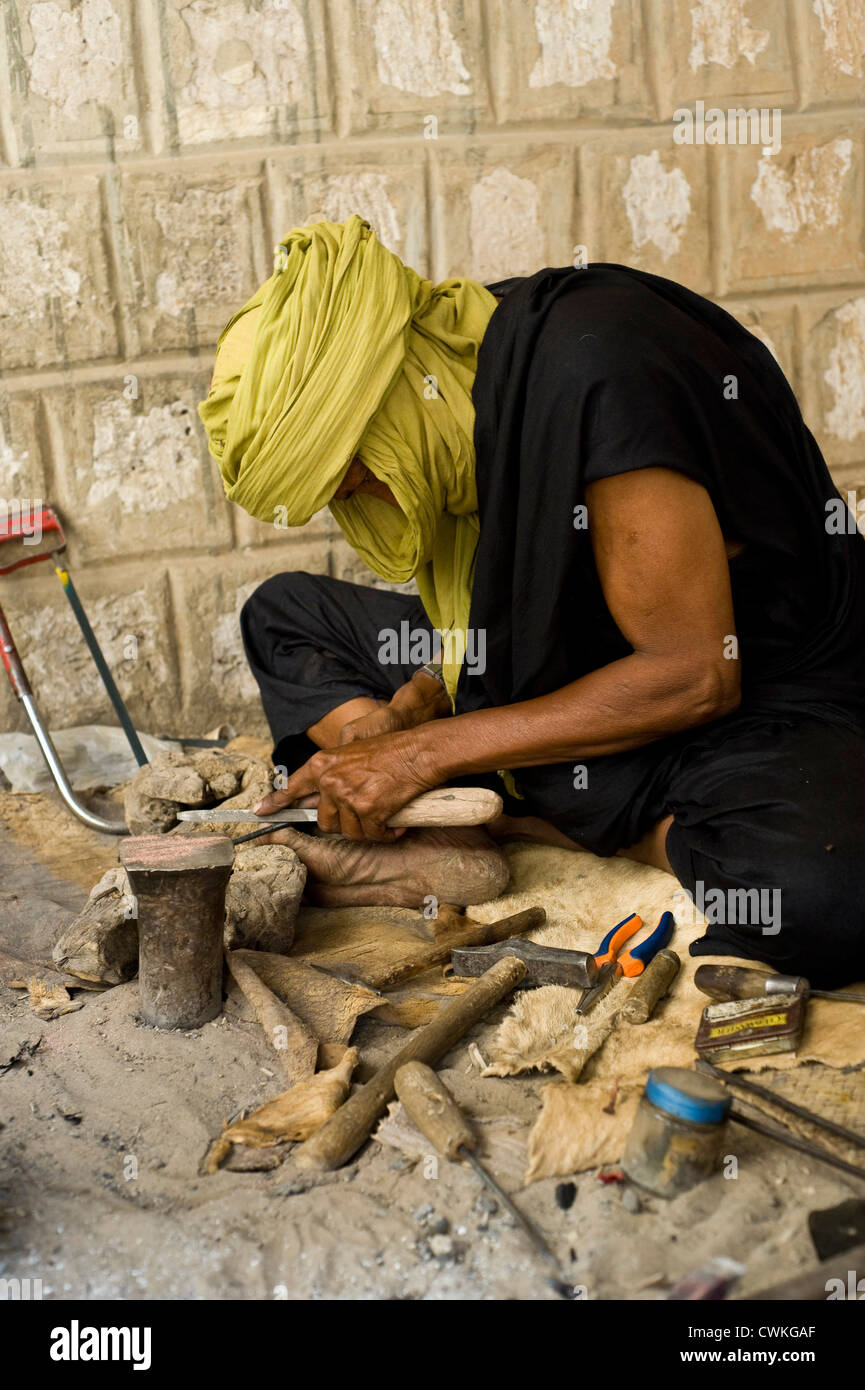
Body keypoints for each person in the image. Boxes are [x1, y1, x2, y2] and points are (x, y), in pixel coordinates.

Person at [199, 215, 865, 987]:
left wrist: (420, 754)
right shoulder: (464, 367)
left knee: (813, 893)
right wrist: (407, 716)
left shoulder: (599, 371)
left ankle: (508, 817)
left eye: (363, 473)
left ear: (389, 389)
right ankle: (436, 814)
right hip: (559, 661)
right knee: (285, 613)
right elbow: (494, 613)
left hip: (747, 695)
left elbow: (693, 677)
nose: (374, 500)